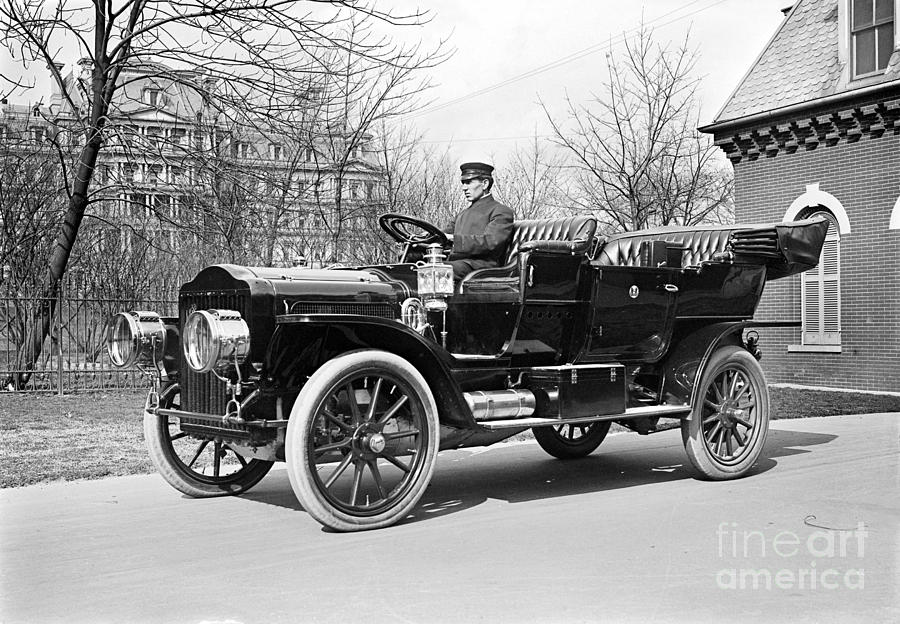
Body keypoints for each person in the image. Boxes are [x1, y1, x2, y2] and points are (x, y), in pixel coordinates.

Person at [445, 162, 514, 280]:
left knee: (436, 270)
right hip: (458, 265)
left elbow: (491, 242)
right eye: (463, 183)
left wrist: (453, 239)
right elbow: (441, 235)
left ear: (485, 184)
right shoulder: (461, 215)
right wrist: (422, 238)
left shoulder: (500, 211)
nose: (464, 188)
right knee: (411, 265)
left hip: (482, 268)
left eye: (469, 182)